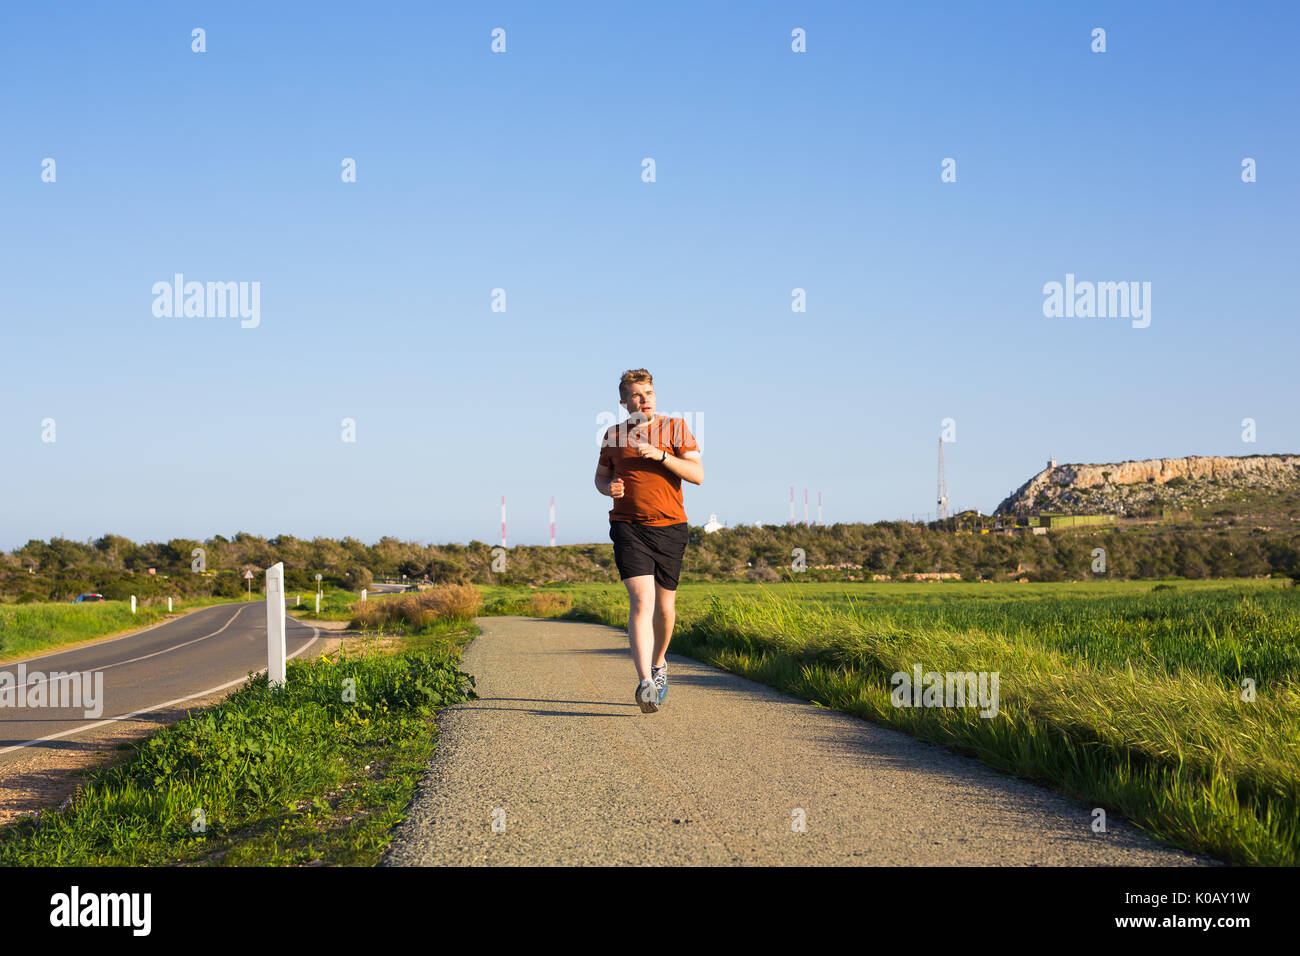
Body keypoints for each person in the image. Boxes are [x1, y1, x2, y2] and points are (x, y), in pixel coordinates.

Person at [594, 369, 703, 713]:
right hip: (628, 527)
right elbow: (601, 477)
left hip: (670, 527)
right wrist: (607, 488)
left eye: (650, 393)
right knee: (642, 600)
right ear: (624, 401)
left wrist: (661, 456)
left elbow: (697, 475)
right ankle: (645, 683)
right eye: (637, 395)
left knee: (665, 609)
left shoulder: (675, 429)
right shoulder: (612, 435)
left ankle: (658, 665)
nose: (644, 400)